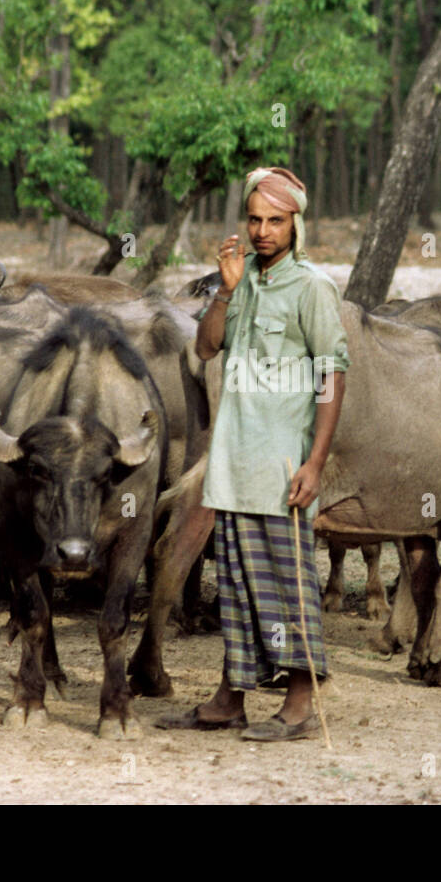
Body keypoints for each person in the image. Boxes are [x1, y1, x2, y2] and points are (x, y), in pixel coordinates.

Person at [156, 166, 348, 741]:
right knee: (238, 584)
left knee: (287, 584)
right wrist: (227, 288)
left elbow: (332, 374)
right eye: (256, 219)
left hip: (283, 464)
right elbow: (206, 345)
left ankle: (299, 704)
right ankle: (228, 700)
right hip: (233, 461)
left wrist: (315, 463)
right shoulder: (242, 282)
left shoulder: (311, 287)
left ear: (296, 225)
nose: (264, 230)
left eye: (276, 221)